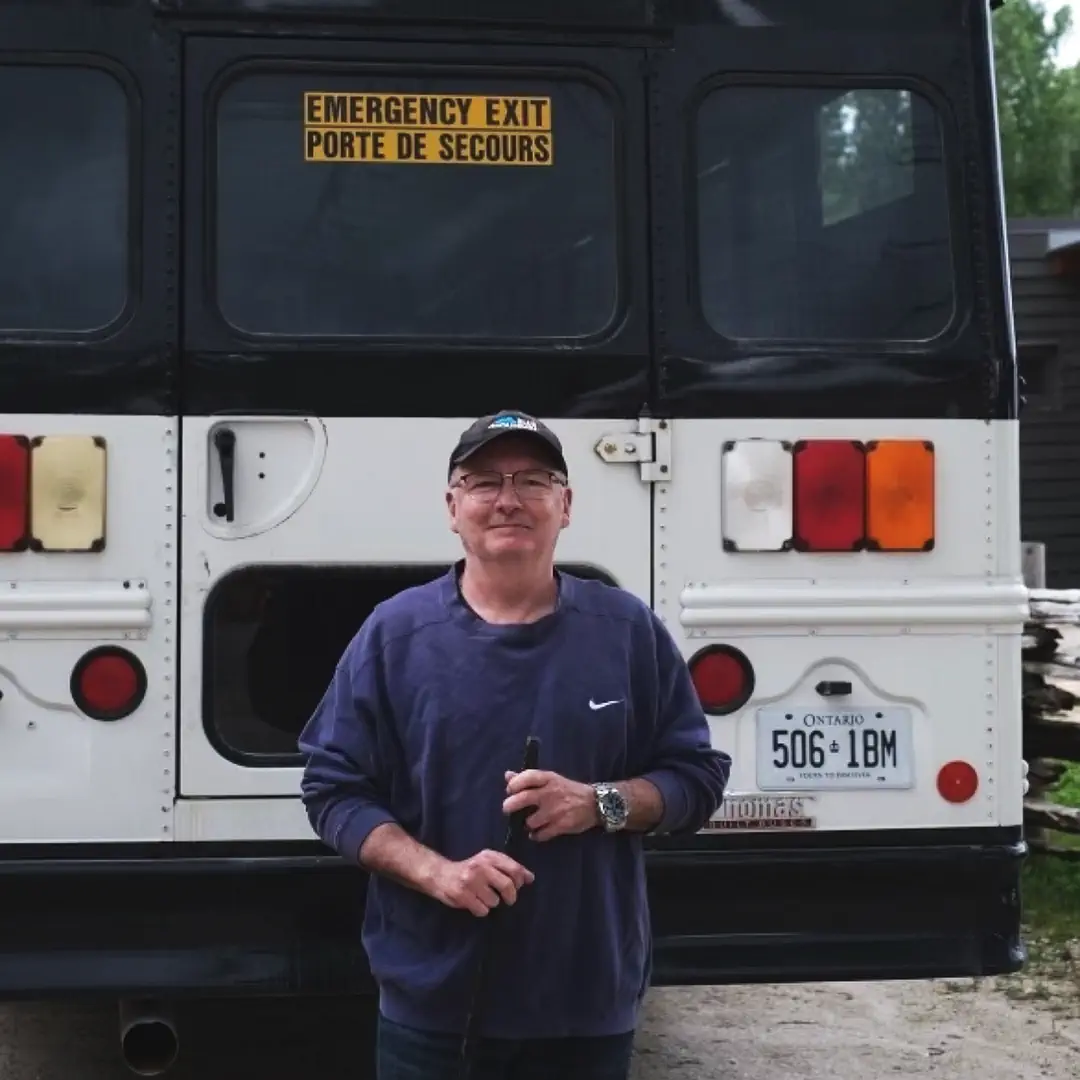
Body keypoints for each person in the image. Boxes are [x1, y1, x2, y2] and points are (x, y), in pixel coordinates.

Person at [297, 409, 732, 1080]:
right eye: (483, 481)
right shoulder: (394, 636)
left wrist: (602, 802)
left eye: (534, 479)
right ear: (452, 506)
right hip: (432, 1010)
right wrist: (439, 873)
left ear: (566, 505)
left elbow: (696, 779)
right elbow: (334, 789)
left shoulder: (625, 631)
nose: (507, 499)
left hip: (584, 1007)